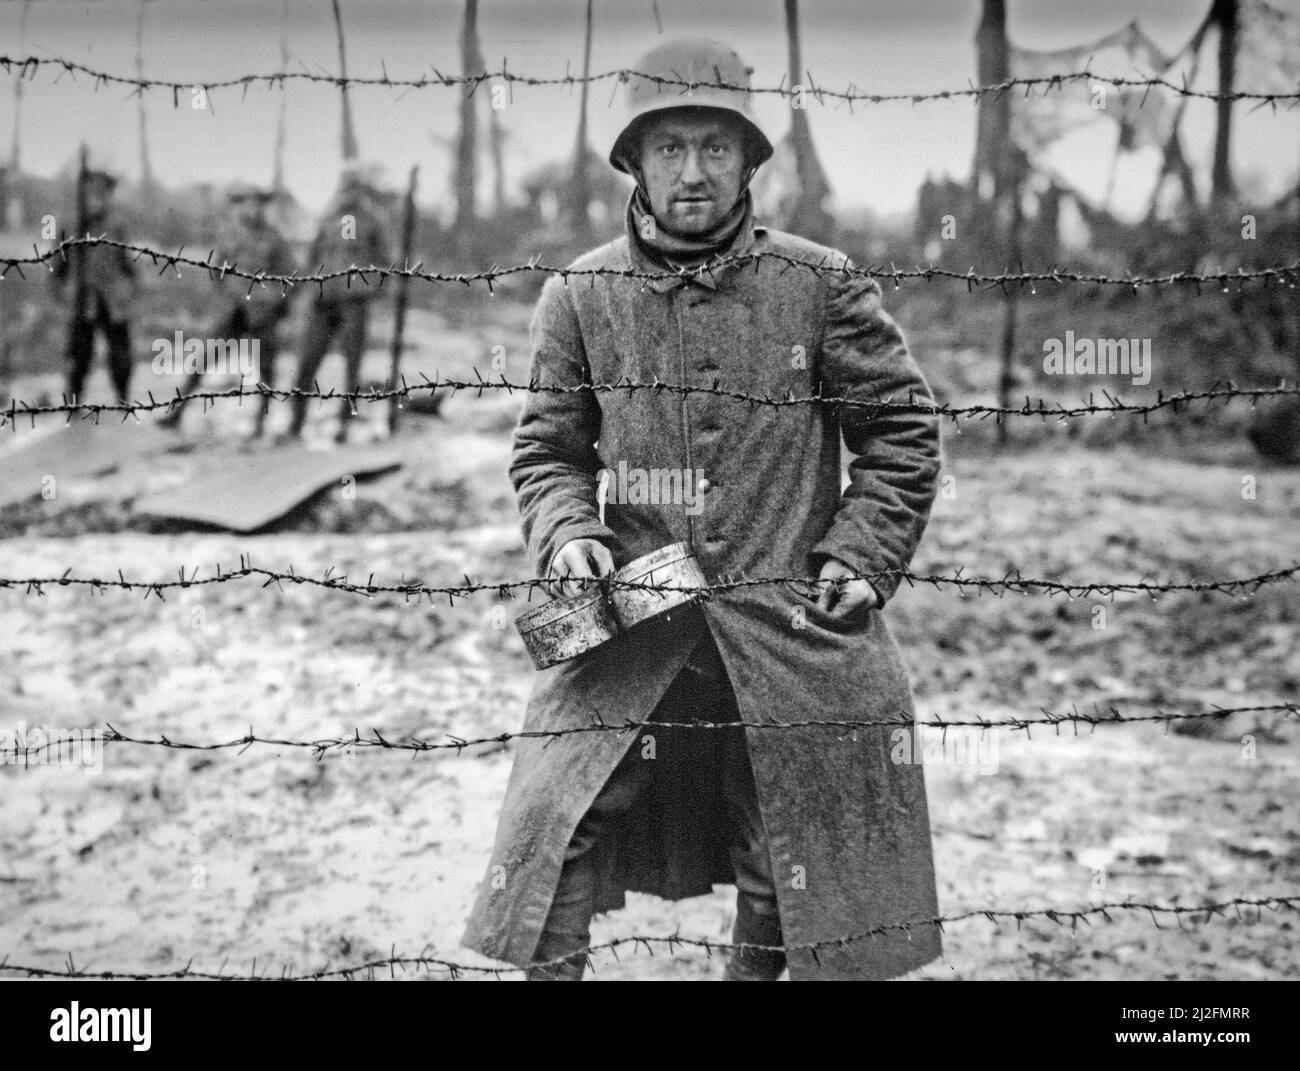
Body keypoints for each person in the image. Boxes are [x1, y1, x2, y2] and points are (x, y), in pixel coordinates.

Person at [462, 38, 944, 981]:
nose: (693, 172)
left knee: (790, 845)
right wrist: (567, 534)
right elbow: (548, 451)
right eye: (670, 148)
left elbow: (903, 432)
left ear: (749, 160)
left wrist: (862, 550)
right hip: (632, 616)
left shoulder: (823, 284)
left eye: (715, 148)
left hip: (788, 619)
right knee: (553, 822)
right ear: (634, 162)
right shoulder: (581, 292)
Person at [159, 184, 297, 437]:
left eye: (257, 204)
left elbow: (289, 277)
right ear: (241, 206)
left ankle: (260, 422)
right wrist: (225, 297)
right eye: (247, 203)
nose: (252, 209)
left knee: (266, 368)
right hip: (233, 311)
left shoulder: (274, 239)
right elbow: (216, 271)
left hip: (262, 313)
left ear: (263, 208)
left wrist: (273, 303)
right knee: (204, 360)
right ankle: (176, 412)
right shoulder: (229, 236)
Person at [282, 161, 392, 445]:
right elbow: (313, 255)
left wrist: (370, 290)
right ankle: (295, 422)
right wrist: (309, 284)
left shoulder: (373, 220)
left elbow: (386, 263)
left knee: (352, 367)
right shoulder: (328, 217)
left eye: (354, 186)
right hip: (324, 299)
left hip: (354, 302)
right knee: (308, 361)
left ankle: (344, 424)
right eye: (346, 185)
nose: (349, 192)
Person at [54, 169, 137, 404]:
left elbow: (128, 266)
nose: (97, 200)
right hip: (82, 302)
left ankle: (123, 401)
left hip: (113, 302)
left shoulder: (117, 224)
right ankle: (73, 405)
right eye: (92, 194)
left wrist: (127, 292)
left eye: (103, 194)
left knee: (121, 357)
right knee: (78, 356)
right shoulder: (69, 224)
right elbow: (57, 267)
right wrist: (64, 296)